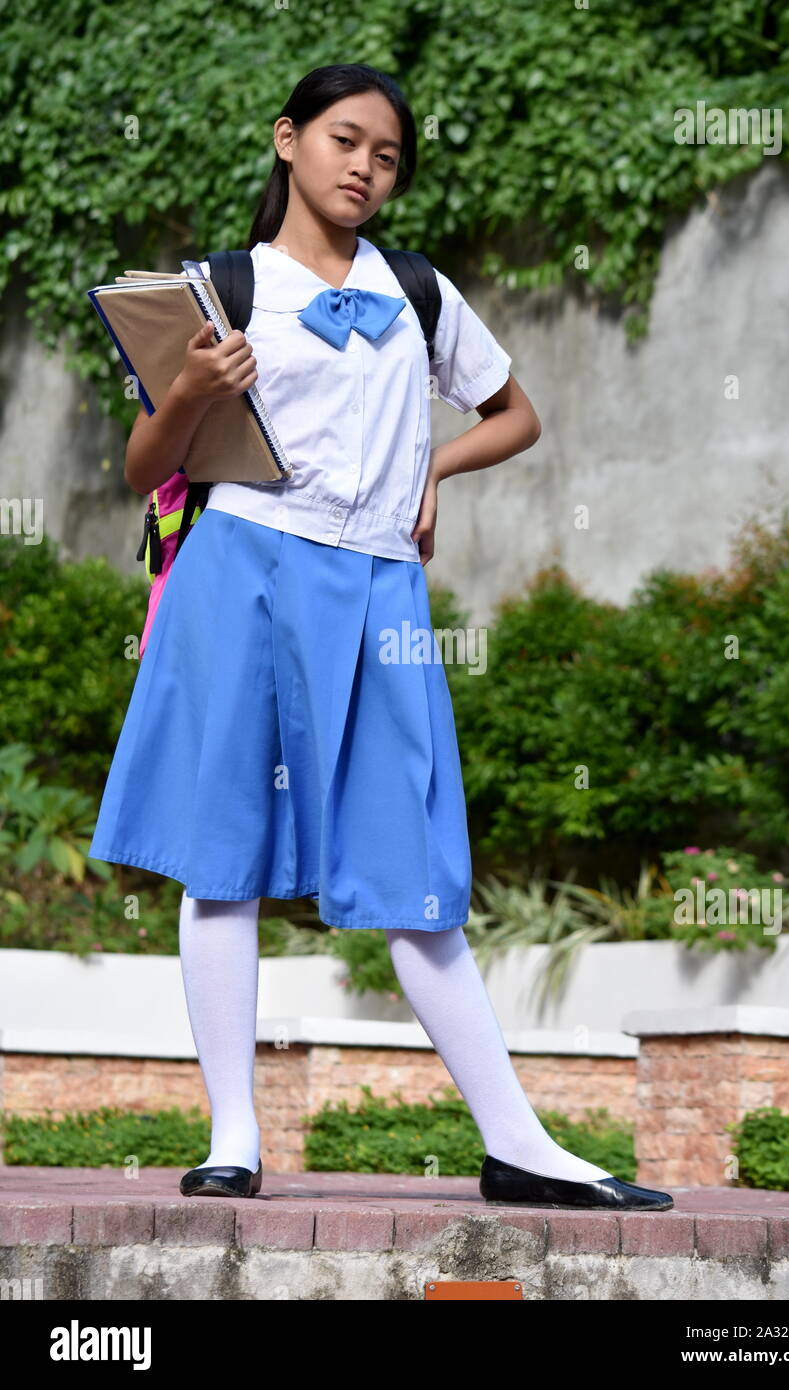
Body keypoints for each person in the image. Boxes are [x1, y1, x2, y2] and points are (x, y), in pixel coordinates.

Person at [88, 63, 672, 1212]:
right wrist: (196, 386)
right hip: (243, 569)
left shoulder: (417, 291)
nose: (364, 166)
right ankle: (233, 1135)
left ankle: (516, 1143)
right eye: (345, 140)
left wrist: (429, 472)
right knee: (224, 855)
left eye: (387, 156)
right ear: (287, 141)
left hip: (379, 591)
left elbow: (514, 414)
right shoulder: (221, 288)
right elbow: (145, 470)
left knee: (409, 863)